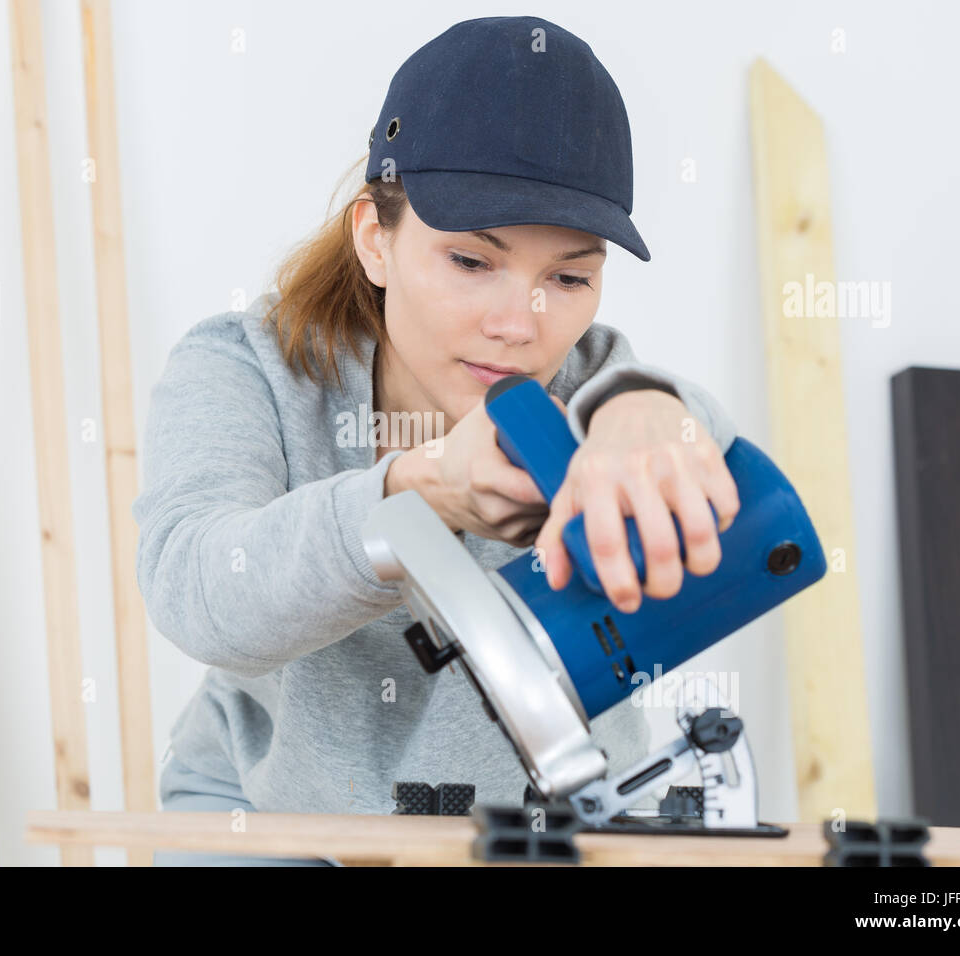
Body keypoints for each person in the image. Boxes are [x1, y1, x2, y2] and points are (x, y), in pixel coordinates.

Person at [134, 15, 740, 866]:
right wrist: (416, 498)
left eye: (568, 277)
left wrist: (655, 410)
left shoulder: (594, 384)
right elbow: (199, 590)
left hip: (534, 828)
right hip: (267, 811)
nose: (517, 325)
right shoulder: (246, 369)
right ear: (376, 238)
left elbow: (696, 429)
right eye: (470, 261)